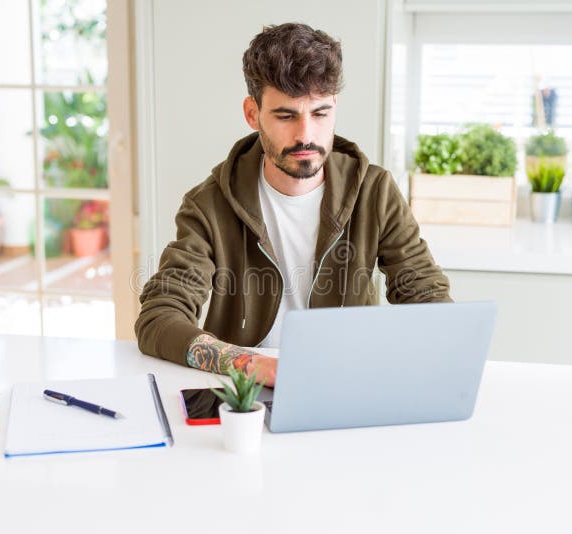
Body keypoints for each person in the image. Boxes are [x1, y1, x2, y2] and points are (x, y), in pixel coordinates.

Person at [135, 23, 451, 387]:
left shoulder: (374, 191)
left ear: (335, 108)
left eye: (320, 113)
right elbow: (159, 317)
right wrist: (251, 365)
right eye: (286, 116)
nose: (305, 135)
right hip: (244, 395)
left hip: (347, 384)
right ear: (252, 113)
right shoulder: (208, 204)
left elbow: (426, 298)